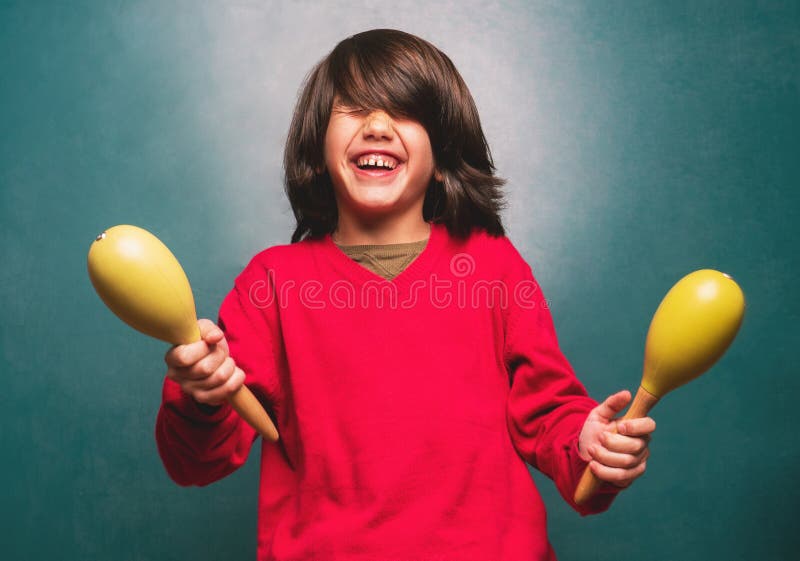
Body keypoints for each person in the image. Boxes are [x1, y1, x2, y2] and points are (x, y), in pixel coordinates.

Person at [156, 29, 656, 561]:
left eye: (403, 111)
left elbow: (549, 410)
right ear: (318, 148)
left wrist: (588, 442)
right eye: (352, 108)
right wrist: (203, 395)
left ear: (442, 156)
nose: (376, 125)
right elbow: (197, 460)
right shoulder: (271, 284)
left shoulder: (494, 266)